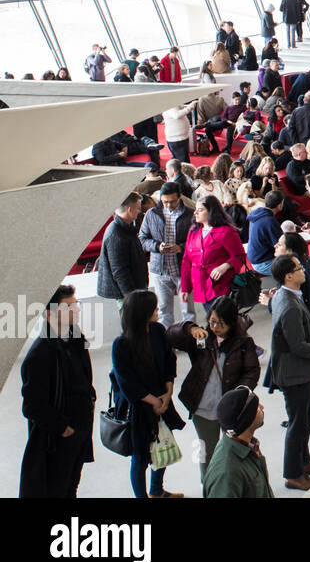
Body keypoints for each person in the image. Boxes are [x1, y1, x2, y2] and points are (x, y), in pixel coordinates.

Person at [165, 295, 260, 482]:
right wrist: (189, 328)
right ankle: (209, 486)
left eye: (221, 324)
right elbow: (169, 335)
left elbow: (252, 371)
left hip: (230, 408)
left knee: (234, 451)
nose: (215, 327)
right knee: (207, 452)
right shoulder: (202, 338)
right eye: (212, 321)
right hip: (202, 407)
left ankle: (230, 486)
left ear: (232, 323)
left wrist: (240, 393)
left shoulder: (243, 343)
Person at [263, 253, 310, 491]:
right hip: (293, 374)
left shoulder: (286, 295)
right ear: (289, 276)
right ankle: (294, 474)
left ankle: (304, 462)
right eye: (298, 267)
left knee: (303, 421)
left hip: (297, 372)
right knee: (297, 424)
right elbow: (297, 345)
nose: (303, 269)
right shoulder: (289, 305)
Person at [19, 286, 95, 498]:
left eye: (76, 304)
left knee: (71, 486)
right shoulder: (40, 354)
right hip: (59, 437)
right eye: (69, 306)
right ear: (50, 313)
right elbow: (32, 406)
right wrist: (63, 428)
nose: (77, 309)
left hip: (80, 427)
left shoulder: (75, 338)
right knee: (55, 490)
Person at [111, 289, 186, 498]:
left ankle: (156, 490)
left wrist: (168, 391)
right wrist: (154, 400)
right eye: (153, 307)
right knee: (141, 457)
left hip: (162, 398)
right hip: (139, 408)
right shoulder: (121, 345)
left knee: (163, 443)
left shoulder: (157, 331)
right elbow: (126, 383)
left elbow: (170, 361)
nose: (157, 310)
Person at [179, 195, 248, 314]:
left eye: (200, 210)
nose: (195, 212)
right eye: (196, 209)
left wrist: (225, 266)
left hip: (221, 286)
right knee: (213, 321)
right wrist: (185, 288)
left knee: (224, 322)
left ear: (211, 212)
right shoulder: (193, 231)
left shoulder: (226, 231)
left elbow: (240, 256)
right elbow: (187, 260)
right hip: (201, 285)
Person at [203, 386, 273, 498]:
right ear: (248, 420)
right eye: (256, 408)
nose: (262, 407)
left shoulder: (246, 445)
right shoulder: (226, 474)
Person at [95, 193, 149, 308]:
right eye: (138, 208)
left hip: (134, 290)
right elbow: (119, 271)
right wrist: (132, 298)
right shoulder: (116, 234)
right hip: (127, 295)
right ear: (130, 210)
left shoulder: (125, 228)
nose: (140, 211)